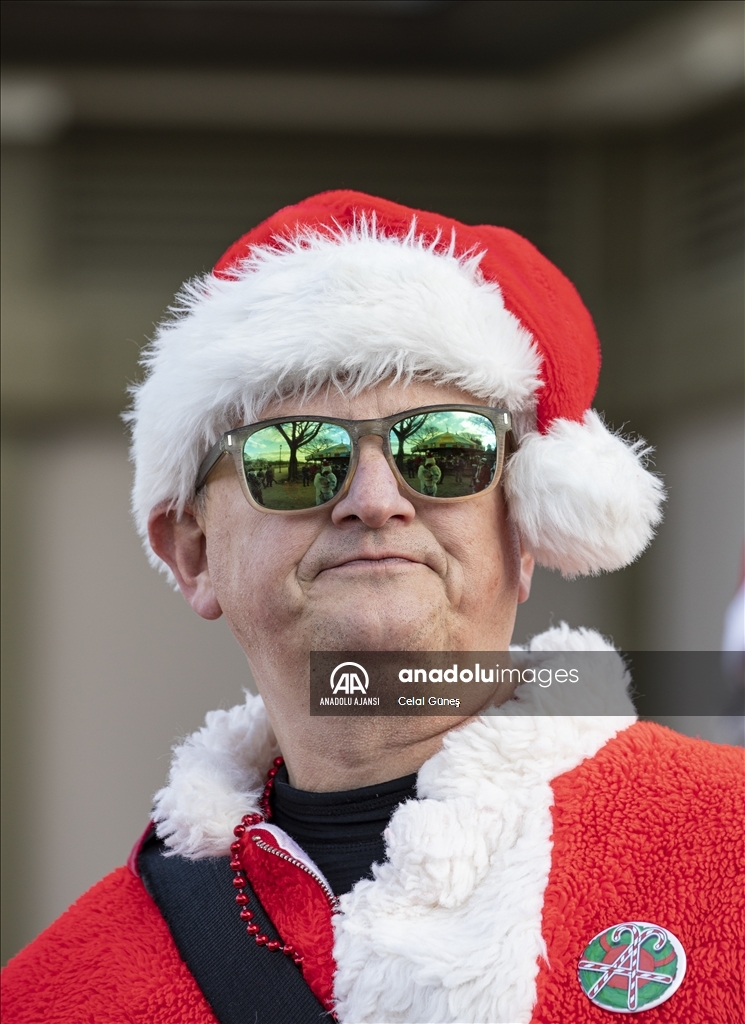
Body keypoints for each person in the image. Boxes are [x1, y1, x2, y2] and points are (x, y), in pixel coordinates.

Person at [3, 190, 742, 1024]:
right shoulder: (56, 997)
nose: (376, 500)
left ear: (526, 531)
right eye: (296, 455)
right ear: (193, 550)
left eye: (444, 449)